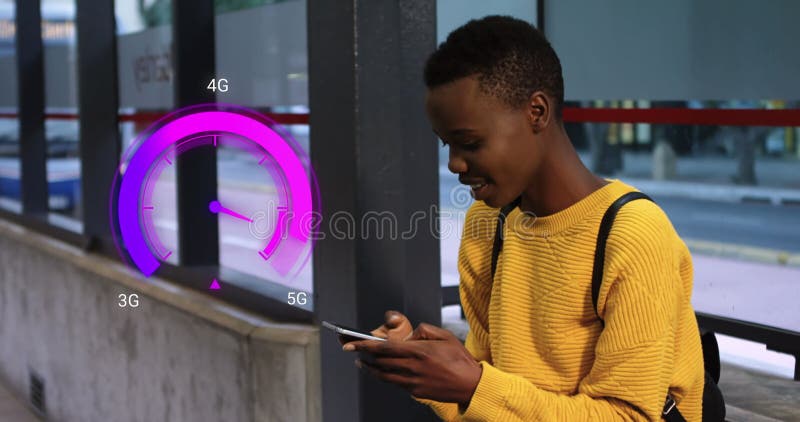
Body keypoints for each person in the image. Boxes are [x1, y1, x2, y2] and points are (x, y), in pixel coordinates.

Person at [341, 15, 705, 421]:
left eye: (469, 143)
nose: (455, 164)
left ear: (537, 112)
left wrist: (472, 383)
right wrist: (427, 368)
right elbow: (491, 402)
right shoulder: (486, 224)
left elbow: (628, 416)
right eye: (447, 144)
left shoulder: (632, 234)